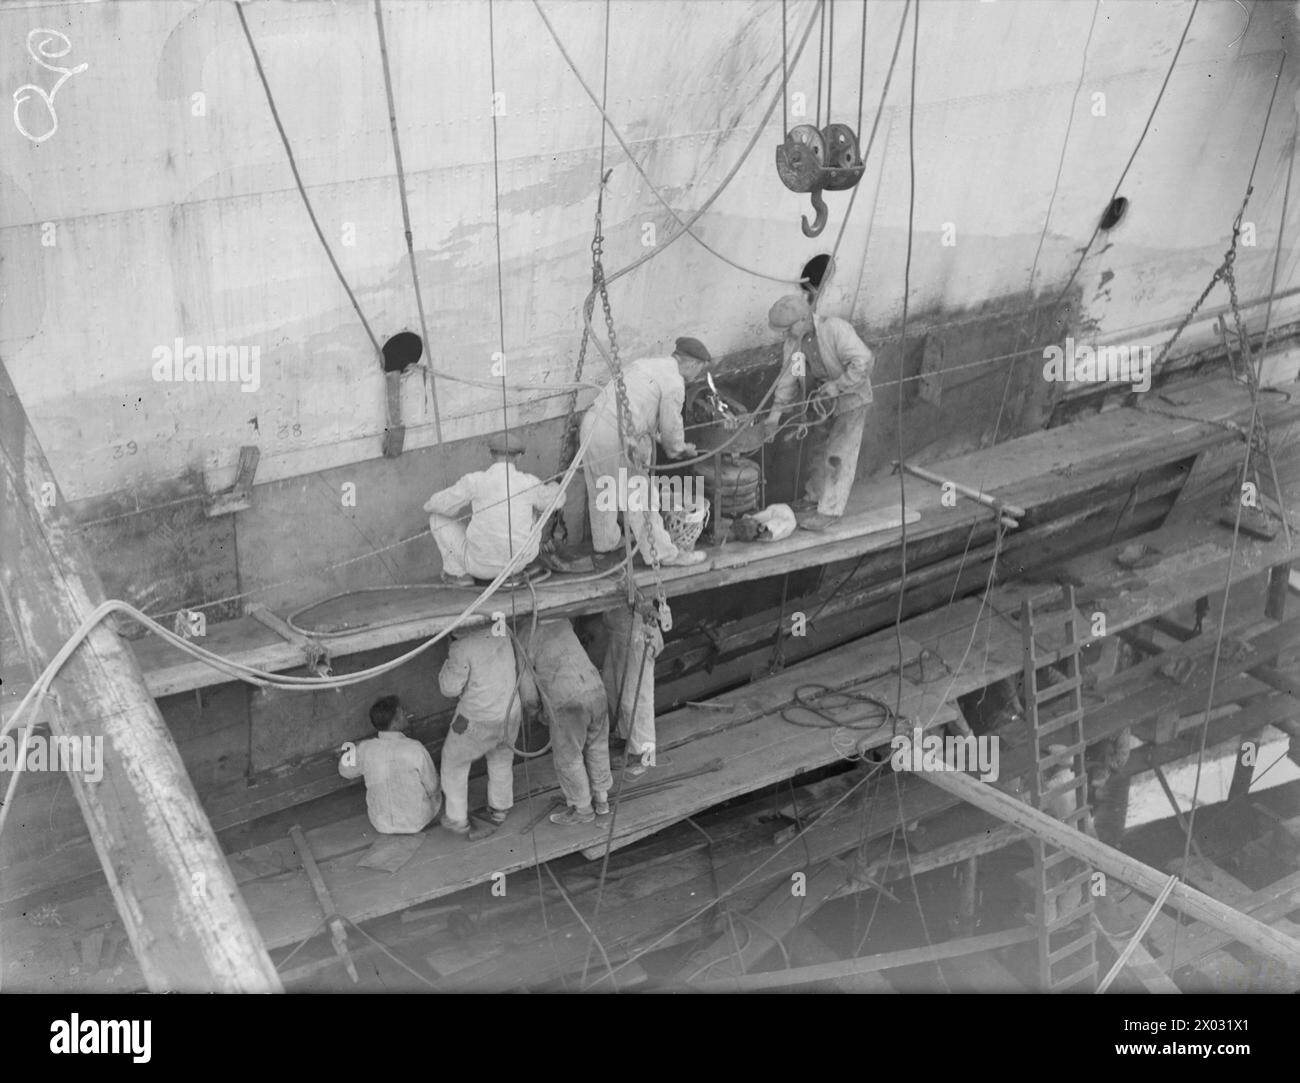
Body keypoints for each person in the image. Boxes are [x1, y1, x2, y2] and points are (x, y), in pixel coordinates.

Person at [580, 337, 712, 568]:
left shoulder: (645, 364)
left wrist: (659, 439)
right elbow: (672, 428)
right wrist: (680, 450)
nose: (699, 374)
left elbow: (642, 413)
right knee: (640, 496)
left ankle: (606, 543)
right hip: (616, 435)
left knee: (603, 488)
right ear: (692, 364)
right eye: (700, 368)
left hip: (593, 424)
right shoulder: (674, 383)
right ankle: (664, 554)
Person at [764, 294, 876, 529]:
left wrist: (838, 386)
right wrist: (774, 417)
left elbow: (863, 361)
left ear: (804, 318)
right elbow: (788, 380)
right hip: (822, 403)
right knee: (818, 452)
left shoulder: (834, 329)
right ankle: (813, 497)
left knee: (838, 454)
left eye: (788, 328)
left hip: (852, 399)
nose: (786, 334)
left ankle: (830, 511)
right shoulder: (794, 344)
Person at [424, 432, 561, 587]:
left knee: (436, 518)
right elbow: (556, 501)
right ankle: (511, 577)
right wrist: (554, 487)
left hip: (480, 567)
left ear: (491, 455)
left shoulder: (475, 481)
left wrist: (436, 505)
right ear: (518, 457)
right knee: (538, 510)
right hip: (519, 564)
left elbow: (434, 505)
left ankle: (458, 575)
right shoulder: (529, 483)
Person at [437, 624, 536, 838]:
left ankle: (457, 817)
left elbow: (449, 689)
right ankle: (499, 810)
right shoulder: (503, 631)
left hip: (475, 719)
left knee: (454, 761)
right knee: (501, 757)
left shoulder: (461, 647)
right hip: (511, 712)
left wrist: (447, 664)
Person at [517, 618, 613, 826]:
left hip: (567, 700)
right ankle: (602, 801)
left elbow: (528, 695)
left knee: (569, 757)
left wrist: (537, 713)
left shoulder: (522, 637)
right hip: (596, 688)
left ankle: (583, 809)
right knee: (597, 745)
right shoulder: (561, 619)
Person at [337, 695, 441, 834]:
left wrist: (356, 748)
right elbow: (432, 786)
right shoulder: (415, 748)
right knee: (436, 789)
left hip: (381, 824)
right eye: (402, 713)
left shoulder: (366, 749)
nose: (406, 714)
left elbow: (344, 771)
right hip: (416, 822)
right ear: (395, 723)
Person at [602, 598, 664, 777]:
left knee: (636, 700)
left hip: (639, 632)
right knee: (613, 690)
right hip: (620, 633)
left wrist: (646, 610)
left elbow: (642, 593)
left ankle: (643, 755)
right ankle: (627, 737)